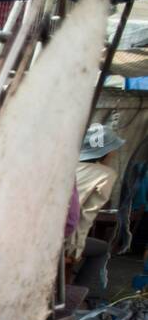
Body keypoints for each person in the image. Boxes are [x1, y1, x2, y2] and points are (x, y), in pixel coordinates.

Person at [67, 121, 123, 299]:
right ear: (105, 151)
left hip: (46, 235)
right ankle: (76, 296)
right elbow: (86, 215)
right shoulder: (105, 175)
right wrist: (75, 249)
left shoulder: (68, 166)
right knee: (102, 249)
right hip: (67, 239)